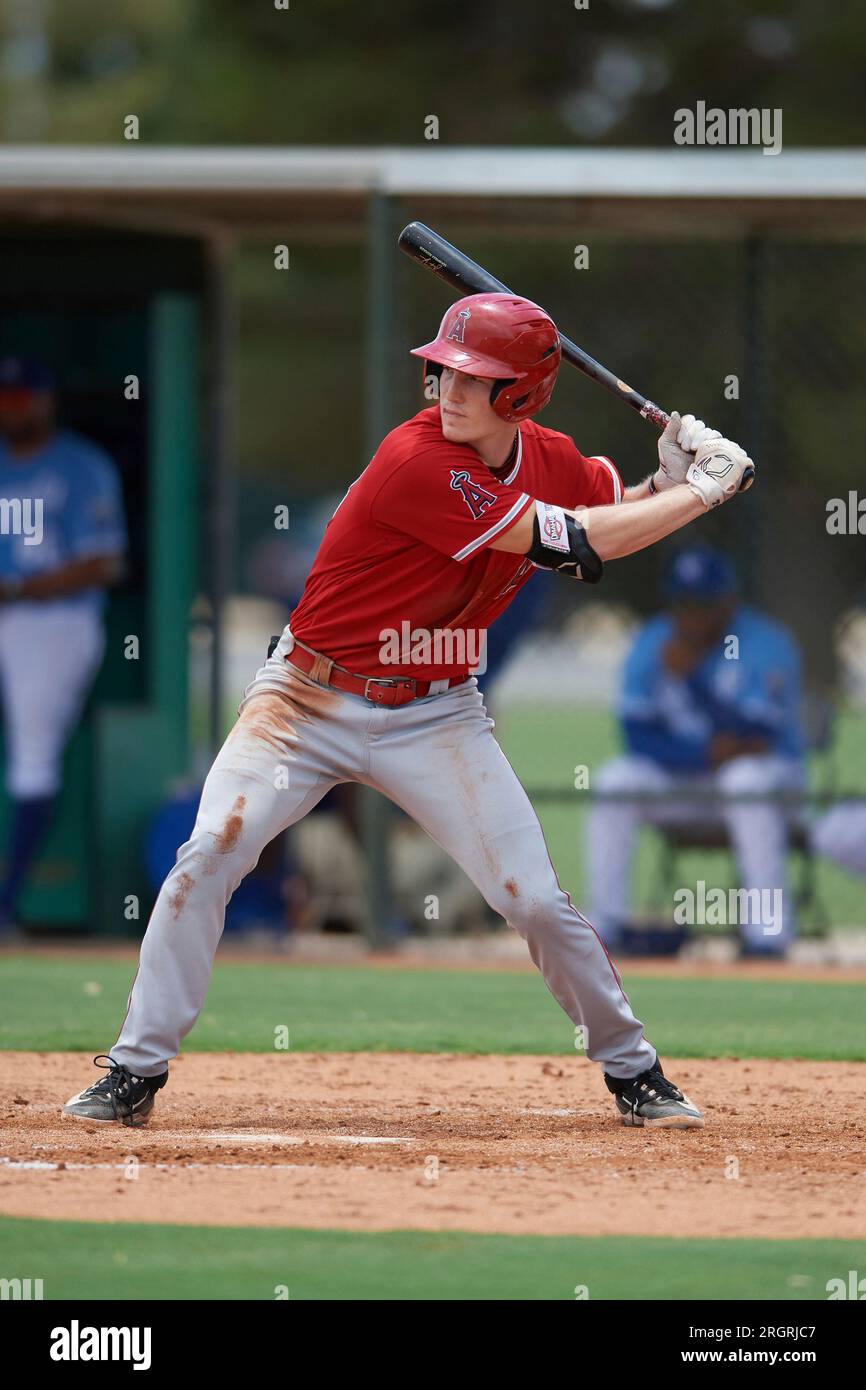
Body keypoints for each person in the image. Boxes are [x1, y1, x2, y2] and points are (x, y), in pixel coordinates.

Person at [62, 292, 754, 1133]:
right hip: (307, 699)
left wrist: (672, 476)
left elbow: (607, 511)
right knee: (211, 848)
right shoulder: (414, 460)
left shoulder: (550, 457)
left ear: (525, 395)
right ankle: (135, 1066)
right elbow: (575, 546)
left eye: (474, 377)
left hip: (437, 711)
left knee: (532, 898)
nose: (446, 389)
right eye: (442, 370)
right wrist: (704, 494)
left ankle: (633, 1070)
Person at [586, 546, 805, 958]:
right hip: (691, 776)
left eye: (702, 604)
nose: (690, 615)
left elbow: (758, 738)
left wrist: (693, 682)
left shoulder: (763, 642)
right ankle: (606, 925)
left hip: (773, 784)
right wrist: (705, 753)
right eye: (682, 603)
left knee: (746, 779)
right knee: (615, 779)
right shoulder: (653, 641)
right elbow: (636, 735)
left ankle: (767, 936)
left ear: (727, 601)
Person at [0, 358, 127, 935]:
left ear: (46, 401)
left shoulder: (80, 466)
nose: (12, 406)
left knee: (33, 755)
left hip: (52, 621)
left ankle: (8, 902)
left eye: (22, 397)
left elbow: (106, 562)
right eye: (6, 396)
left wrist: (22, 587)